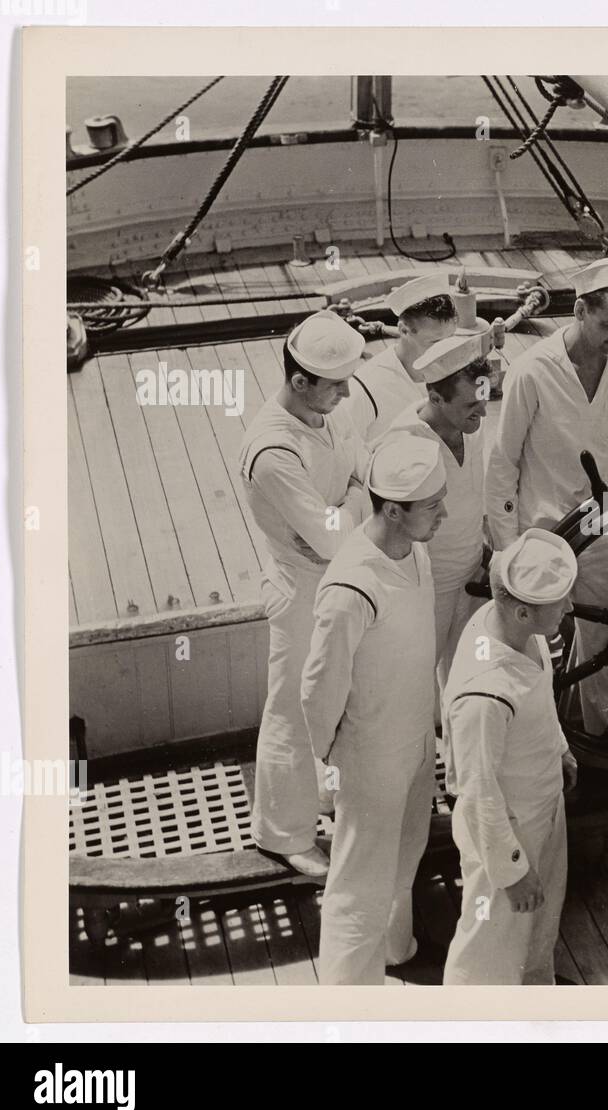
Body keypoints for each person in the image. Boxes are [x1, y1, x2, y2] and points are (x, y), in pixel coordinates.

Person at [484, 257, 608, 733]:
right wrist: (507, 548)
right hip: (539, 534)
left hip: (600, 533)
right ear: (579, 310)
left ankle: (596, 738)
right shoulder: (532, 371)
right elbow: (502, 462)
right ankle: (532, 741)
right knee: (532, 650)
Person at [300, 433, 448, 984]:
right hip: (370, 758)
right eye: (433, 507)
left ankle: (396, 951)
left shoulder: (417, 549)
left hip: (413, 743)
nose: (443, 514)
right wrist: (331, 766)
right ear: (392, 509)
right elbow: (317, 690)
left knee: (405, 860)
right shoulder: (352, 587)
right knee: (357, 892)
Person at [238, 309, 369, 877]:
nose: (346, 392)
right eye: (335, 383)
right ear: (299, 382)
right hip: (300, 593)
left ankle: (318, 794)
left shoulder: (325, 413)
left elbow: (364, 471)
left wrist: (352, 504)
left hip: (335, 583)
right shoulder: (273, 452)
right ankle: (282, 834)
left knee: (334, 698)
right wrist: (362, 502)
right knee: (291, 711)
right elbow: (331, 537)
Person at [442, 529, 579, 985]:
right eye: (560, 603)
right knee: (488, 953)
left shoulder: (516, 629)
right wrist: (511, 871)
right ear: (523, 610)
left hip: (544, 808)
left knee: (539, 932)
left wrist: (559, 748)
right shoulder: (484, 693)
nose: (571, 609)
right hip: (508, 831)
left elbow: (538, 697)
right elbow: (476, 792)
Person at [382, 335, 493, 686]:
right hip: (426, 589)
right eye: (470, 406)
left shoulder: (471, 425)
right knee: (412, 683)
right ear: (434, 398)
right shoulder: (403, 442)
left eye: (485, 399)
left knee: (469, 680)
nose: (484, 412)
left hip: (474, 576)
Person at [344, 275, 458, 443]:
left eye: (451, 339)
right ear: (404, 331)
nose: (445, 351)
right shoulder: (366, 388)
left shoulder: (457, 372)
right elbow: (347, 456)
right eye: (435, 342)